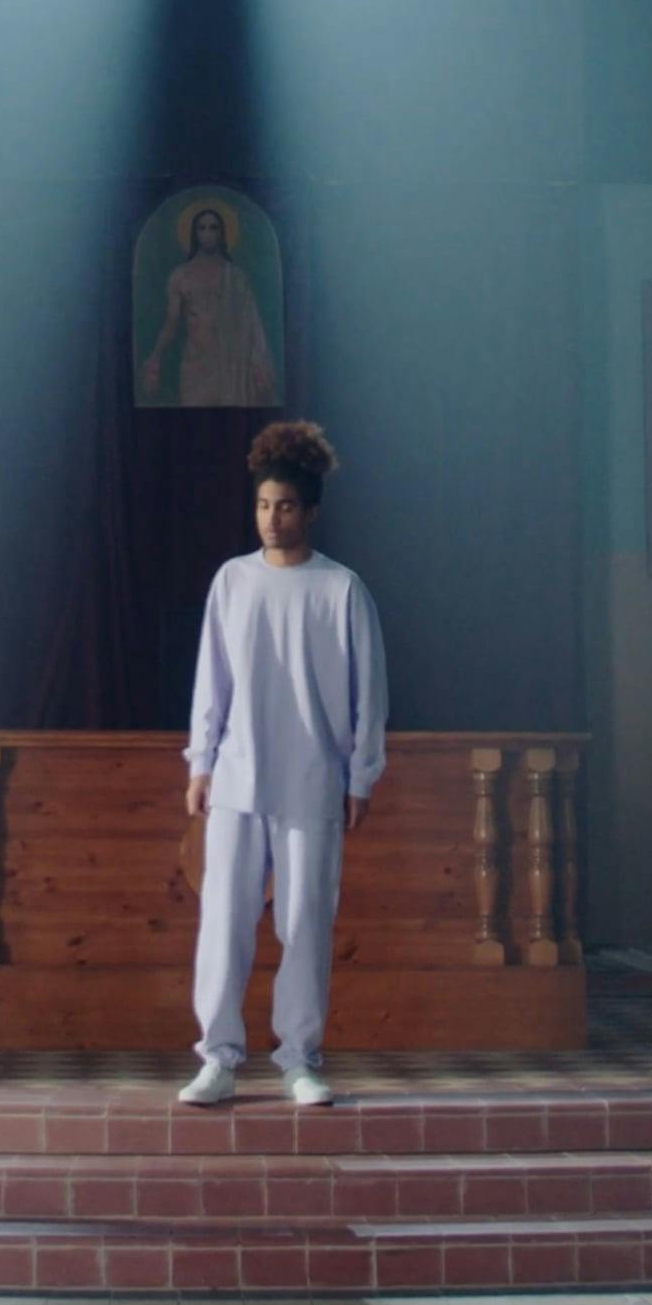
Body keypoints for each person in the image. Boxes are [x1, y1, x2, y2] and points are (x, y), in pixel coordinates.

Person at [178, 418, 387, 1109]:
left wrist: (360, 774)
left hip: (312, 784)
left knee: (303, 924)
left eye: (286, 506)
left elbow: (368, 693)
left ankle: (298, 1058)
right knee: (225, 922)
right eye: (264, 505)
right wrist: (199, 762)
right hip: (238, 780)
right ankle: (217, 1058)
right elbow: (212, 680)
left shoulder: (340, 590)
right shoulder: (231, 582)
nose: (272, 518)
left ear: (311, 511)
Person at [138, 199, 278, 408]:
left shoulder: (236, 276)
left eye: (214, 227)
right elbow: (172, 322)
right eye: (202, 228)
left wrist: (259, 359)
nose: (208, 233)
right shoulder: (181, 275)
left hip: (230, 365)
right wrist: (156, 355)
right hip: (195, 364)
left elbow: (252, 321)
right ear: (194, 233)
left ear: (222, 233)